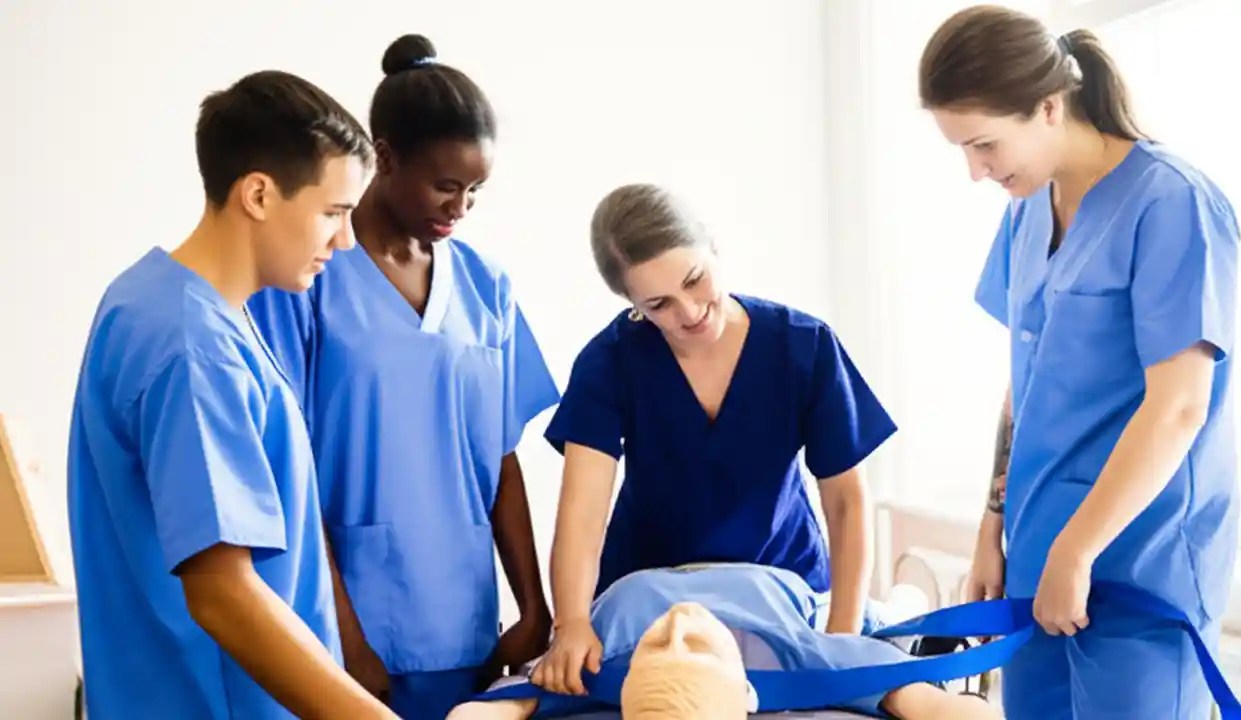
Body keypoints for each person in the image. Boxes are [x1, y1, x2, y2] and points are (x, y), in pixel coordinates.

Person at [917, 6, 1240, 719]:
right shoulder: (1027, 208)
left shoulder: (1172, 203)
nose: (976, 171)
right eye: (962, 150)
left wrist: (1078, 550)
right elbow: (1024, 383)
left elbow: (1180, 405)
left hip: (1139, 569)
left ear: (1048, 106)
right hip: (1039, 557)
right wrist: (992, 528)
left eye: (984, 145)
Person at [247, 34, 560, 720]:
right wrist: (345, 639)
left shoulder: (486, 286)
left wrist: (534, 606)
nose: (460, 208)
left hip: (468, 631)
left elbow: (500, 458)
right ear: (383, 158)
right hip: (349, 634)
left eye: (475, 191)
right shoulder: (306, 282)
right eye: (445, 186)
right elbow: (286, 467)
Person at [66, 70, 397, 719]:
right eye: (334, 213)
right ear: (259, 194)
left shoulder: (152, 302)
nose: (347, 241)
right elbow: (223, 593)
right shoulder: (192, 346)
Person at [532, 183, 898, 696]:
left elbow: (846, 502)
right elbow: (582, 511)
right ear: (632, 305)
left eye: (694, 279)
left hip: (781, 589)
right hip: (651, 606)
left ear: (712, 247)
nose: (689, 312)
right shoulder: (610, 361)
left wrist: (841, 635)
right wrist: (571, 623)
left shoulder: (803, 345)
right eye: (658, 304)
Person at [447, 564, 1002, 720]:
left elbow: (507, 700)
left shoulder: (796, 654)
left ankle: (901, 603)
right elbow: (504, 702)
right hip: (648, 591)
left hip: (776, 592)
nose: (680, 629)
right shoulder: (603, 663)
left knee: (875, 619)